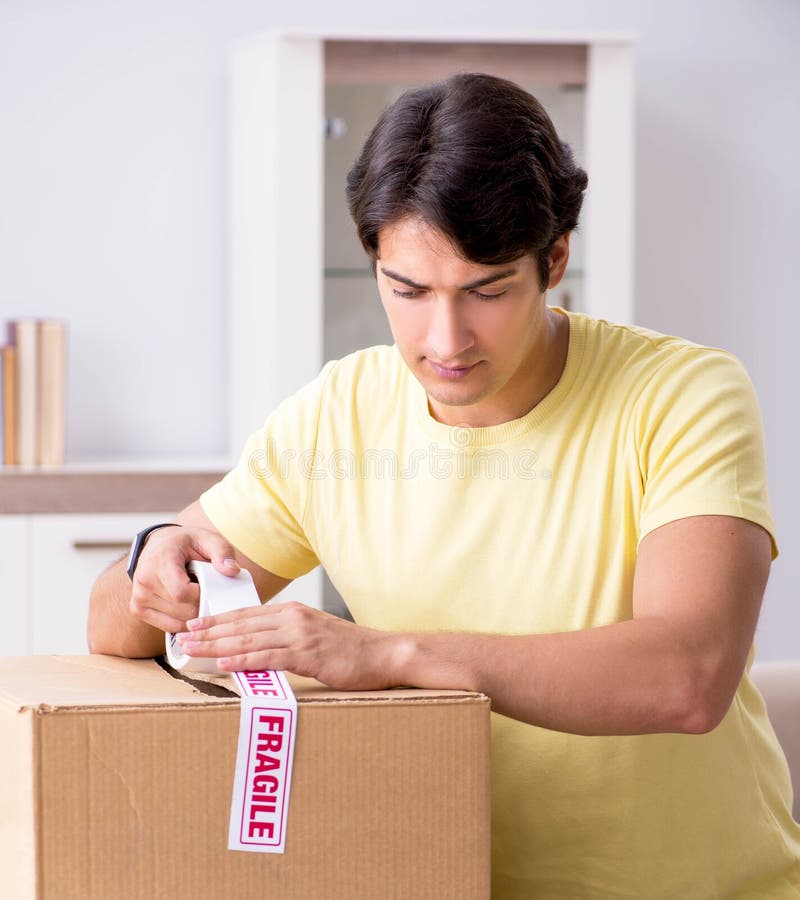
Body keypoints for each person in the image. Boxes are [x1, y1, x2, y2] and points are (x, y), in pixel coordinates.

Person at [89, 73, 800, 898]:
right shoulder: (339, 412)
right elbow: (114, 623)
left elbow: (688, 676)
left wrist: (386, 653)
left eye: (487, 291)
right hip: (442, 878)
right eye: (408, 290)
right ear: (375, 264)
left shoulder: (682, 394)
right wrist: (158, 554)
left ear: (555, 259)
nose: (444, 339)